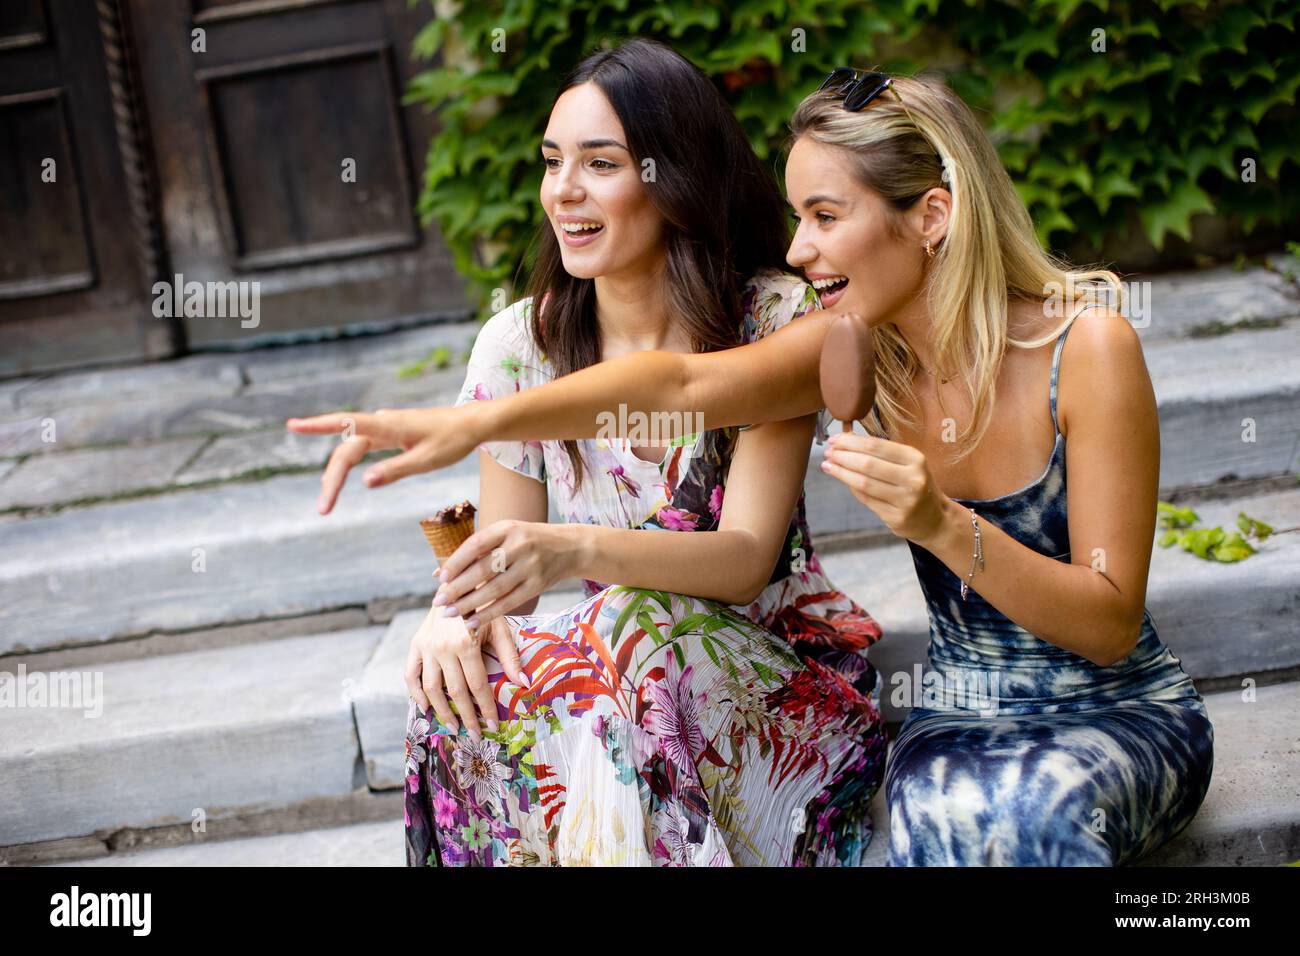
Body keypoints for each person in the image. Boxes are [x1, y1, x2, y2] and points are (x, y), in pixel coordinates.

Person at [291, 69, 1214, 866]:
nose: (800, 248)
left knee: (1013, 821)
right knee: (947, 817)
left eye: (823, 216)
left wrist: (941, 525)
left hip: (1114, 704)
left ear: (931, 215)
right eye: (799, 216)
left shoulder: (1086, 348)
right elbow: (682, 383)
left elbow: (1108, 625)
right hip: (960, 711)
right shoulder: (858, 351)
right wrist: (466, 427)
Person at [294, 39, 890, 867]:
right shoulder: (518, 348)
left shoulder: (774, 319)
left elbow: (746, 561)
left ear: (672, 176)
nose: (563, 191)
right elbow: (503, 585)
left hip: (775, 687)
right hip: (620, 686)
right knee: (463, 684)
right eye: (551, 162)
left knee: (630, 620)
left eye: (599, 163)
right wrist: (450, 620)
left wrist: (572, 548)